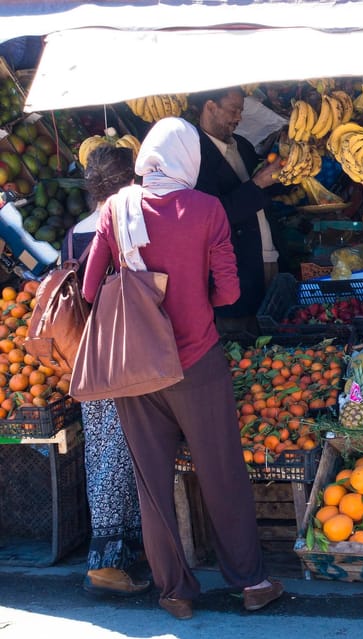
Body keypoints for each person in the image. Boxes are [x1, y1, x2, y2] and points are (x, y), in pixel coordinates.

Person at [81, 117, 284, 620]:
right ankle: (251, 582)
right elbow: (229, 293)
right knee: (222, 473)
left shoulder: (116, 208)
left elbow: (88, 288)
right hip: (196, 362)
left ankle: (174, 591)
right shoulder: (206, 208)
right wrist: (193, 299)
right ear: (188, 160)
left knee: (152, 486)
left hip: (136, 368)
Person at [68, 145, 149, 597]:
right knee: (120, 452)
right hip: (125, 352)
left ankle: (126, 550)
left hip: (87, 354)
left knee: (102, 449)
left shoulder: (73, 234)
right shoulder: (124, 225)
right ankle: (105, 561)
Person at [191, 87, 284, 334]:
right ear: (211, 107)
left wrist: (282, 173)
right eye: (233, 110)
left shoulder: (241, 145)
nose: (239, 118)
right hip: (236, 274)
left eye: (241, 111)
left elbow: (264, 193)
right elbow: (213, 216)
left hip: (268, 259)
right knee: (243, 341)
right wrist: (258, 183)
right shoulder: (195, 156)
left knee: (277, 337)